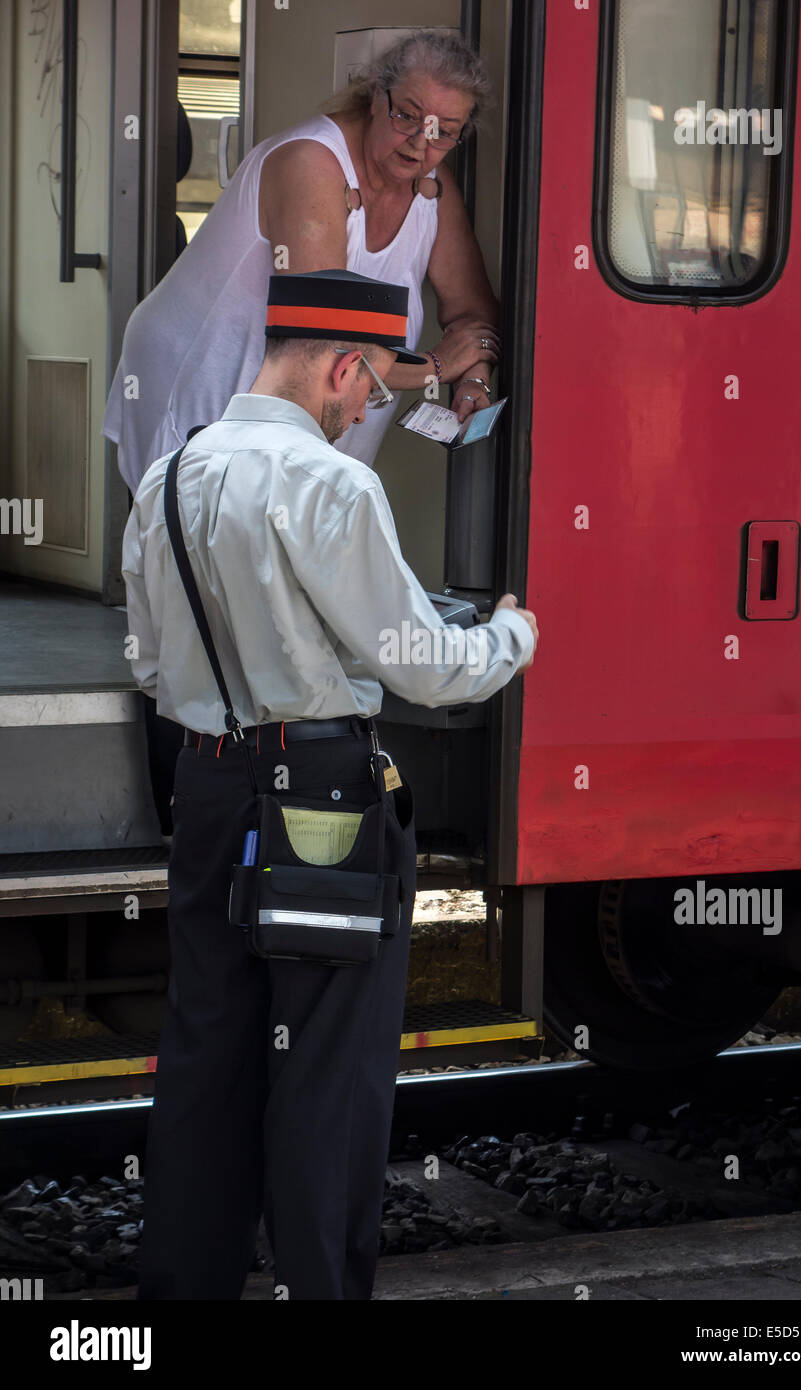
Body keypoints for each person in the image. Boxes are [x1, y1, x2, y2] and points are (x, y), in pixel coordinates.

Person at [121, 269, 538, 1301]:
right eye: (369, 391)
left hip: (209, 788)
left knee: (207, 1056)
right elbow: (423, 664)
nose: (365, 411)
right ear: (342, 366)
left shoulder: (167, 475)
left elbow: (145, 660)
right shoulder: (331, 484)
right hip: (322, 801)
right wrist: (511, 634)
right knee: (325, 1071)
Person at [103, 29, 501, 494]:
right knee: (204, 541)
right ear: (375, 96)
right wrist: (436, 367)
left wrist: (474, 380)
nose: (419, 143)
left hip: (303, 422)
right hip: (207, 389)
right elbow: (326, 346)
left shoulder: (432, 186)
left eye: (444, 132)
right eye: (406, 115)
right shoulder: (310, 163)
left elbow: (475, 318)